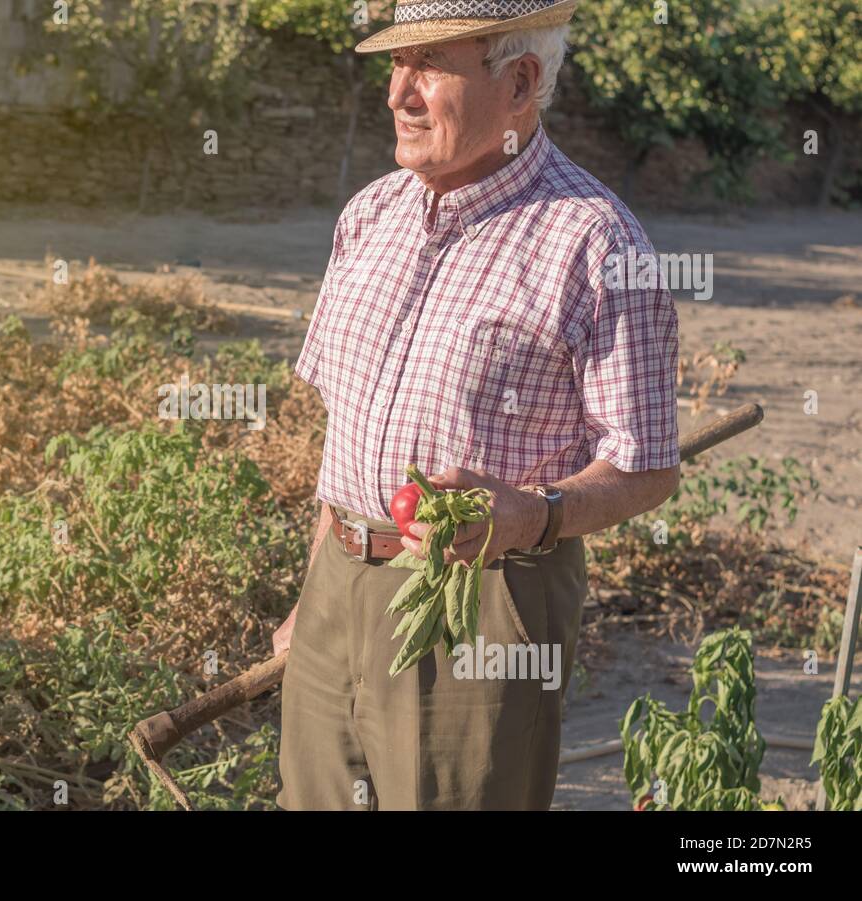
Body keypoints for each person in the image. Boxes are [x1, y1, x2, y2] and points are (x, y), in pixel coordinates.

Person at [273, 0, 680, 810]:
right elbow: (342, 435)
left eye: (429, 64)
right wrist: (312, 593)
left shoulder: (595, 242)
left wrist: (532, 515)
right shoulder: (369, 216)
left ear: (520, 81)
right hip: (337, 588)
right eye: (396, 64)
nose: (399, 93)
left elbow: (646, 464)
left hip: (479, 603)